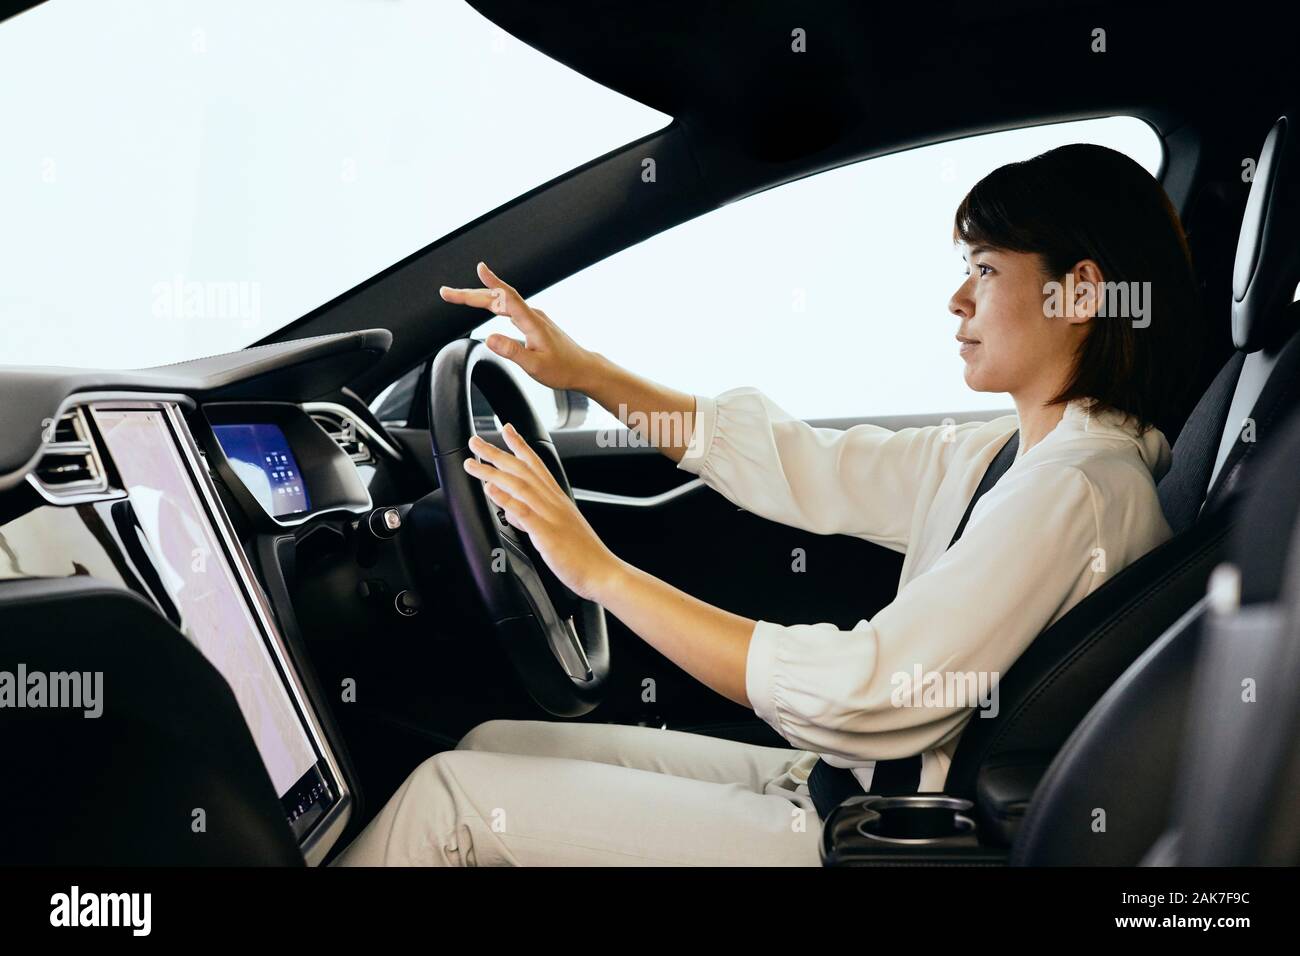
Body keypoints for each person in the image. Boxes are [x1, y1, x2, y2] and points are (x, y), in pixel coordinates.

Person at [335, 143, 1202, 866]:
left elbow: (866, 689)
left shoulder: (1076, 491)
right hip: (844, 786)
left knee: (450, 798)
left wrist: (598, 573)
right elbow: (796, 463)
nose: (958, 297)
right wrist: (586, 374)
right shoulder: (1005, 452)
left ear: (1081, 293)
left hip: (878, 840)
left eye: (985, 268)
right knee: (491, 745)